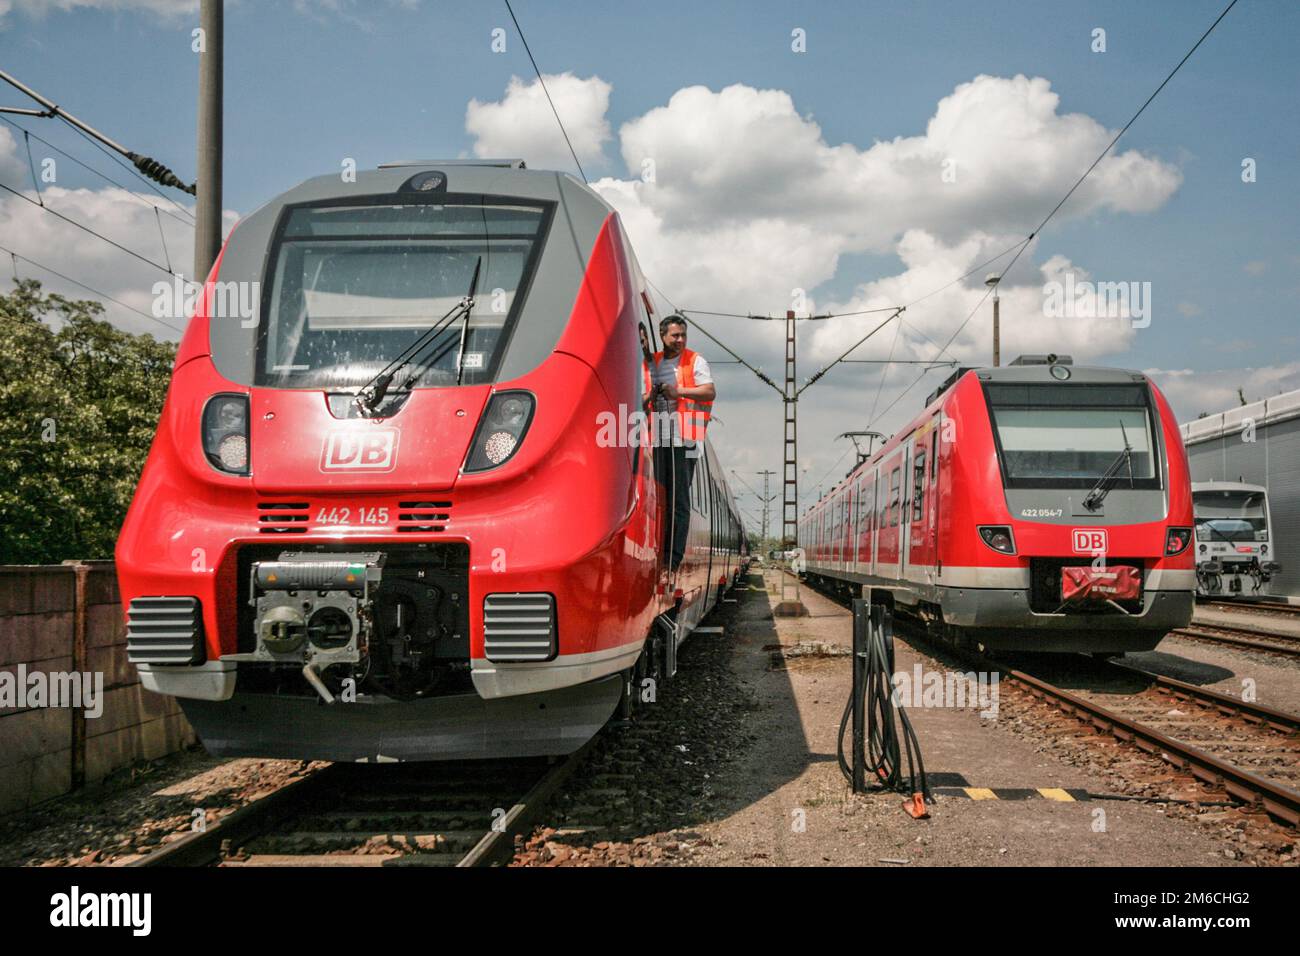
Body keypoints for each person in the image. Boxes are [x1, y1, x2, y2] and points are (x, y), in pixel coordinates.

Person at [650, 314, 716, 571]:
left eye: (683, 335)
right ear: (662, 336)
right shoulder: (654, 362)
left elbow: (709, 391)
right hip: (658, 439)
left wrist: (679, 391)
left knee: (679, 501)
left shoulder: (694, 360)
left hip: (686, 439)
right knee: (659, 498)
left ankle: (672, 559)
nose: (679, 340)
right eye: (674, 335)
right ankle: (656, 550)